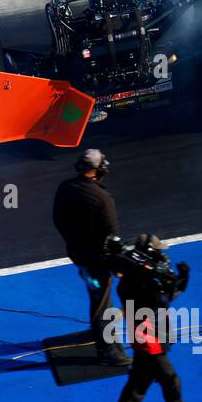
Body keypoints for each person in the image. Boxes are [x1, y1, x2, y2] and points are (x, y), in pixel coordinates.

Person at [110, 234, 202, 402]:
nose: (162, 255)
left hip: (153, 335)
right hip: (149, 340)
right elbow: (156, 299)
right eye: (158, 251)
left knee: (139, 382)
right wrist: (163, 280)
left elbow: (164, 297)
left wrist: (181, 280)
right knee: (170, 381)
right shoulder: (132, 285)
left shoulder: (142, 280)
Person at [53, 149, 130, 367]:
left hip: (78, 254)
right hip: (97, 260)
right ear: (100, 170)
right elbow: (111, 237)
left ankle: (101, 334)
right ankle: (107, 351)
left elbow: (58, 220)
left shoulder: (65, 187)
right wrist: (117, 264)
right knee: (102, 303)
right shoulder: (101, 198)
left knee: (97, 297)